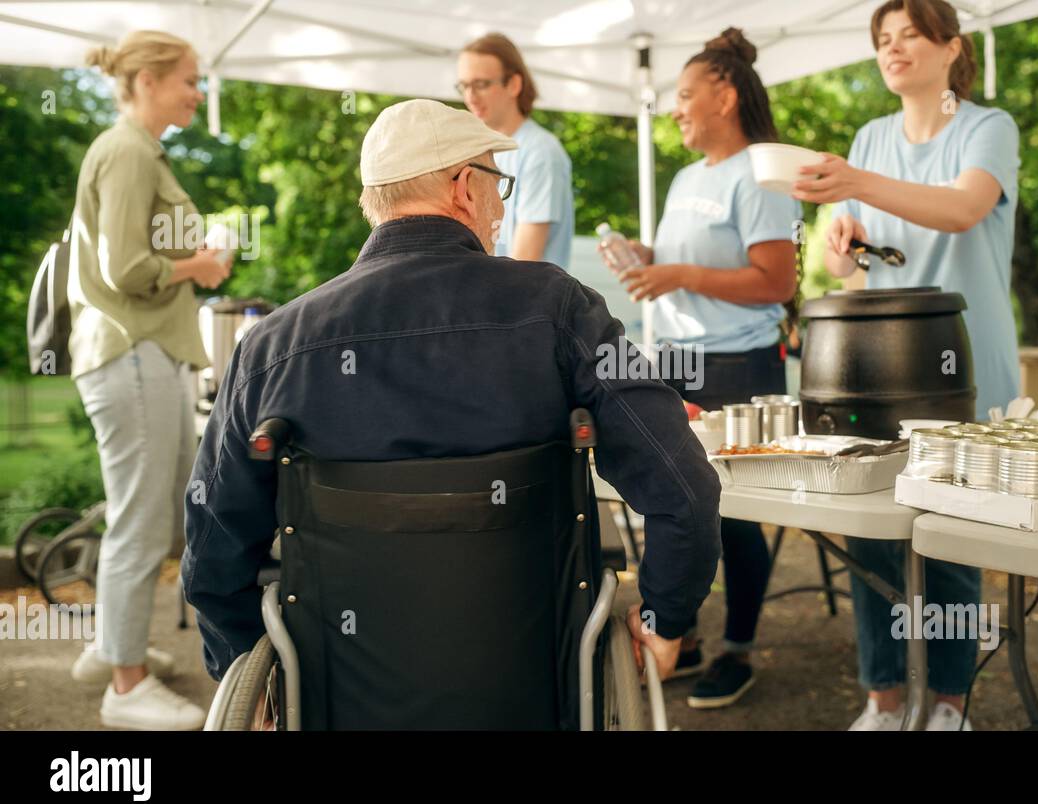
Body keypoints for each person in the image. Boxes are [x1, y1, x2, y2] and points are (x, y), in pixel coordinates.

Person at [183, 99, 721, 693]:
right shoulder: (559, 309)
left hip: (341, 692)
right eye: (499, 184)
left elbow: (212, 543)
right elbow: (684, 488)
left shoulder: (270, 346)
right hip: (538, 685)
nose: (501, 207)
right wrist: (664, 621)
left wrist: (243, 668)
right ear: (466, 186)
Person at [793, 0, 1021, 731]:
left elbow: (961, 209)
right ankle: (885, 700)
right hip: (878, 375)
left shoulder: (988, 128)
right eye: (882, 40)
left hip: (963, 369)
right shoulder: (869, 138)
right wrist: (843, 247)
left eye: (910, 36)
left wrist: (857, 186)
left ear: (951, 48)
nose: (892, 49)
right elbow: (854, 267)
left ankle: (948, 702)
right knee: (872, 534)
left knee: (950, 539)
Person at [599, 28, 800, 710]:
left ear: (726, 93)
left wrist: (679, 271)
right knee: (675, 501)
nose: (676, 108)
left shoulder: (763, 172)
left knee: (735, 511)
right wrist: (645, 254)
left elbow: (775, 279)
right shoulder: (688, 177)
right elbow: (691, 255)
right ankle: (677, 637)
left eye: (685, 95)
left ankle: (737, 648)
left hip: (741, 364)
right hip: (678, 359)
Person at [67, 30, 231, 731]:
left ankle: (115, 645)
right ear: (147, 82)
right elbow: (125, 269)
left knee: (157, 511)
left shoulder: (139, 150)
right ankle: (125, 688)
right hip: (132, 351)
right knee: (143, 519)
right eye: (189, 79)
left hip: (143, 353)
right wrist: (201, 264)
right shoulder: (129, 151)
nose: (198, 91)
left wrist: (195, 261)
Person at [458, 32, 574, 268]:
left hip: (525, 302)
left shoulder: (540, 152)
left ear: (513, 84)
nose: (470, 96)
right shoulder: (479, 152)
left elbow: (523, 264)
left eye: (481, 84)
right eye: (464, 86)